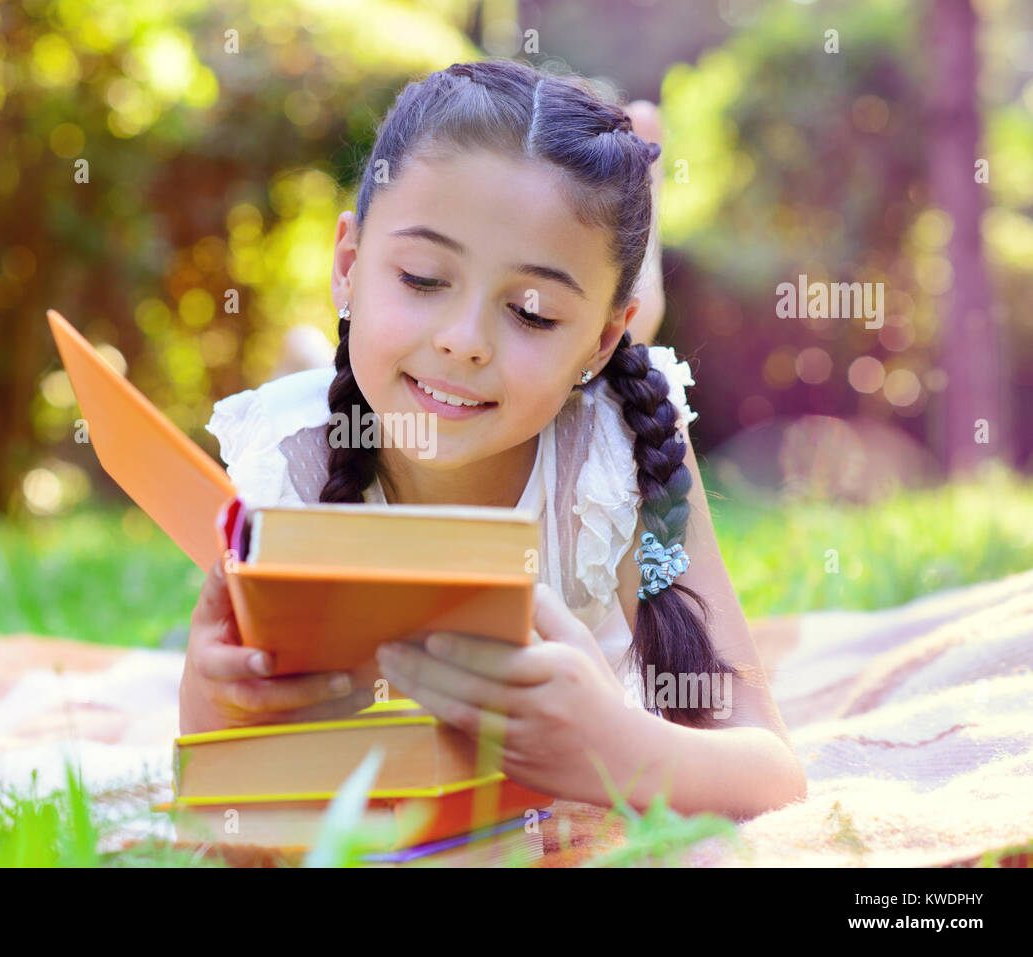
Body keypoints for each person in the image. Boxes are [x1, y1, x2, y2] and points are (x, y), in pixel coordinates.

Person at [179, 60, 805, 819]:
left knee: (609, 357)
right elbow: (226, 792)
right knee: (322, 380)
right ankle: (316, 354)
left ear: (596, 340)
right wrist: (212, 695)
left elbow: (773, 773)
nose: (465, 341)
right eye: (420, 277)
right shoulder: (290, 452)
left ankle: (629, 286)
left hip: (587, 375)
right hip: (379, 388)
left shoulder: (620, 457)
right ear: (347, 266)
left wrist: (617, 746)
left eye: (533, 312)